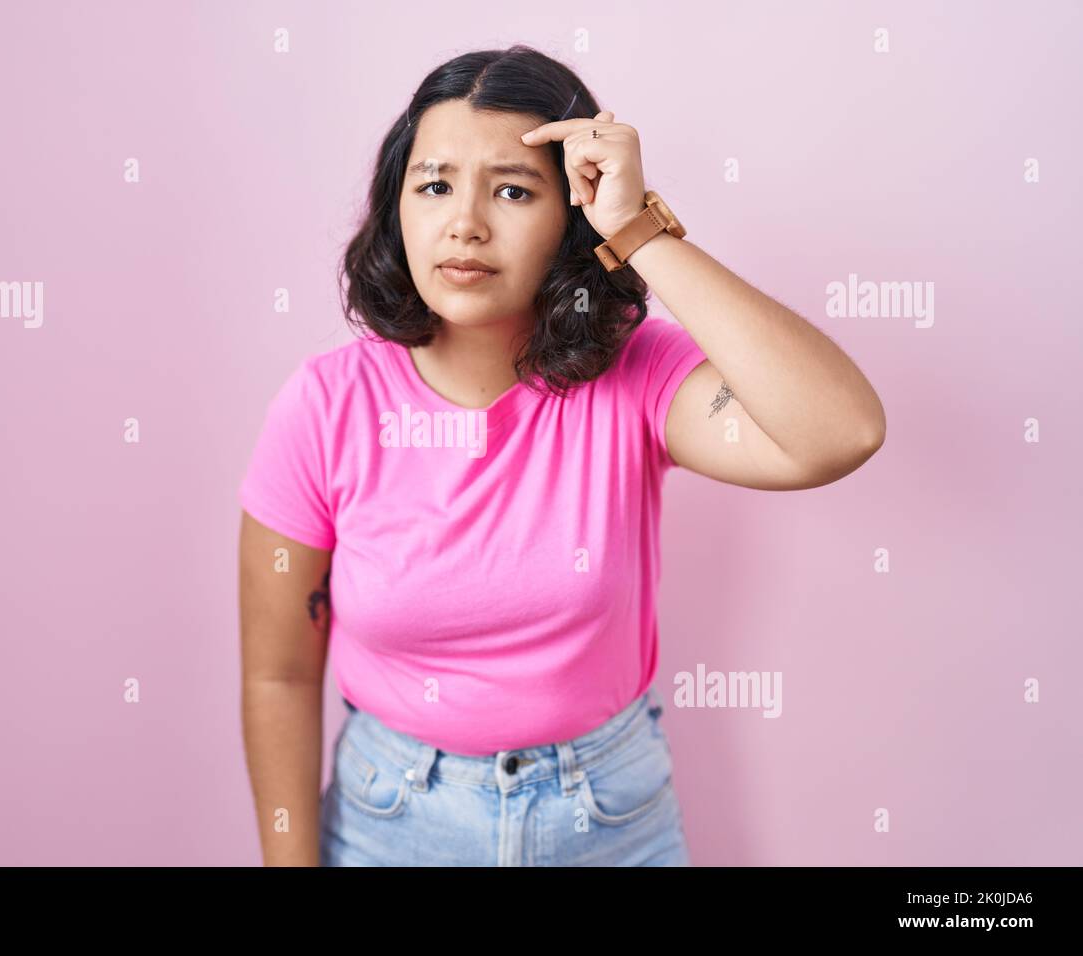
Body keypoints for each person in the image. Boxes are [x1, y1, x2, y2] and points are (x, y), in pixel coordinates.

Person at [238, 45, 885, 866]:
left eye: (513, 189)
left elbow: (840, 431)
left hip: (609, 820)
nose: (465, 222)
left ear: (572, 218)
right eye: (435, 185)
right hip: (391, 822)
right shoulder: (325, 405)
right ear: (396, 206)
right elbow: (279, 679)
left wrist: (638, 228)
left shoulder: (638, 374)